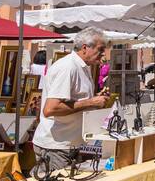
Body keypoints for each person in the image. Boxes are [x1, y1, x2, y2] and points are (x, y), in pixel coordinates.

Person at [32, 28, 111, 171]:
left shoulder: (82, 67)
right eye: (100, 49)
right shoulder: (68, 67)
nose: (103, 54)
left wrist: (95, 100)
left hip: (68, 144)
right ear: (85, 48)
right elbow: (51, 109)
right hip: (56, 146)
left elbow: (75, 99)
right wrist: (91, 102)